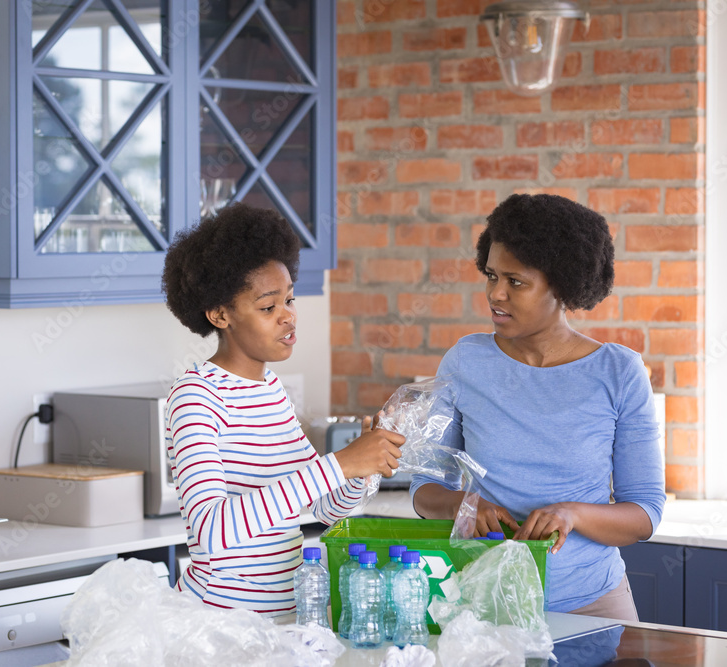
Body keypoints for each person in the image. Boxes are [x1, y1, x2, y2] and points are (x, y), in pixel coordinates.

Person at [411, 193, 665, 621]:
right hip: (482, 602)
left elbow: (644, 514)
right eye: (491, 276)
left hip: (593, 603)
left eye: (516, 282)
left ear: (562, 285)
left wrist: (573, 515)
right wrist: (464, 506)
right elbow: (424, 489)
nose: (496, 294)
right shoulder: (465, 361)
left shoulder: (619, 372)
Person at [161, 202, 405, 616]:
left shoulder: (271, 390)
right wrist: (339, 465)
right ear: (220, 315)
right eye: (268, 307)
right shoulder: (196, 397)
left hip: (283, 621)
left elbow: (326, 509)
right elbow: (212, 532)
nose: (288, 317)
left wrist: (361, 470)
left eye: (289, 300)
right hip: (220, 628)